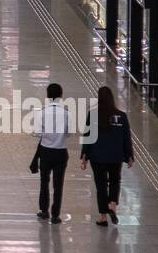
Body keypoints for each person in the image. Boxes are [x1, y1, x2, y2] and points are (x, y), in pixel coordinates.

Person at [80, 85, 134, 226]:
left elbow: (87, 136)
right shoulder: (121, 116)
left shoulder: (93, 115)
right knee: (115, 181)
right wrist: (129, 155)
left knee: (101, 185)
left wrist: (84, 155)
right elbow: (126, 137)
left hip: (97, 156)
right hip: (116, 155)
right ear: (111, 98)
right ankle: (113, 206)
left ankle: (103, 217)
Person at [31, 83, 71, 224]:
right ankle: (55, 214)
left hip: (46, 151)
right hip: (61, 152)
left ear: (48, 95)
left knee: (44, 181)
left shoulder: (41, 113)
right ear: (60, 95)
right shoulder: (66, 113)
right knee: (58, 184)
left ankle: (44, 210)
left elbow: (37, 133)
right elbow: (68, 133)